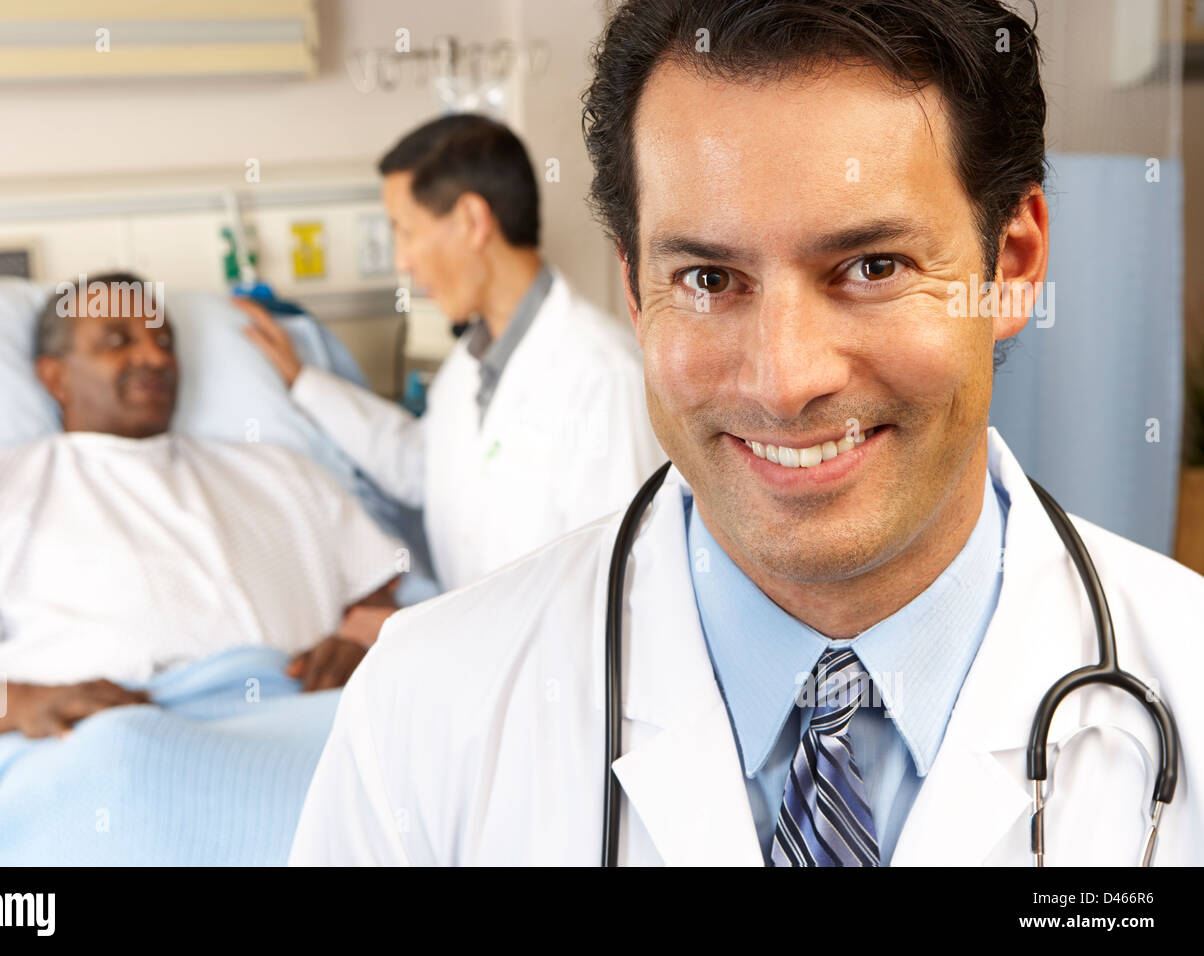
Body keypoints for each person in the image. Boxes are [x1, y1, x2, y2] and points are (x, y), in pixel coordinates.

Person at [289, 0, 1204, 866]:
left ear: (1012, 264)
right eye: (708, 279)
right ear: (634, 291)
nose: (785, 380)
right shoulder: (422, 710)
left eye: (872, 266)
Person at [0, 273, 402, 770]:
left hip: (307, 727)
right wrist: (32, 704)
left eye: (165, 341)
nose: (155, 358)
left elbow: (382, 596)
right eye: (119, 341)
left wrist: (357, 641)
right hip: (107, 750)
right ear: (54, 376)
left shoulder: (283, 473)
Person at [242, 113, 664, 602]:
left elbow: (620, 583)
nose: (402, 259)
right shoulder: (468, 365)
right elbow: (424, 468)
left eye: (405, 230)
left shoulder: (604, 375)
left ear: (471, 220)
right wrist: (305, 383)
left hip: (558, 671)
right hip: (480, 654)